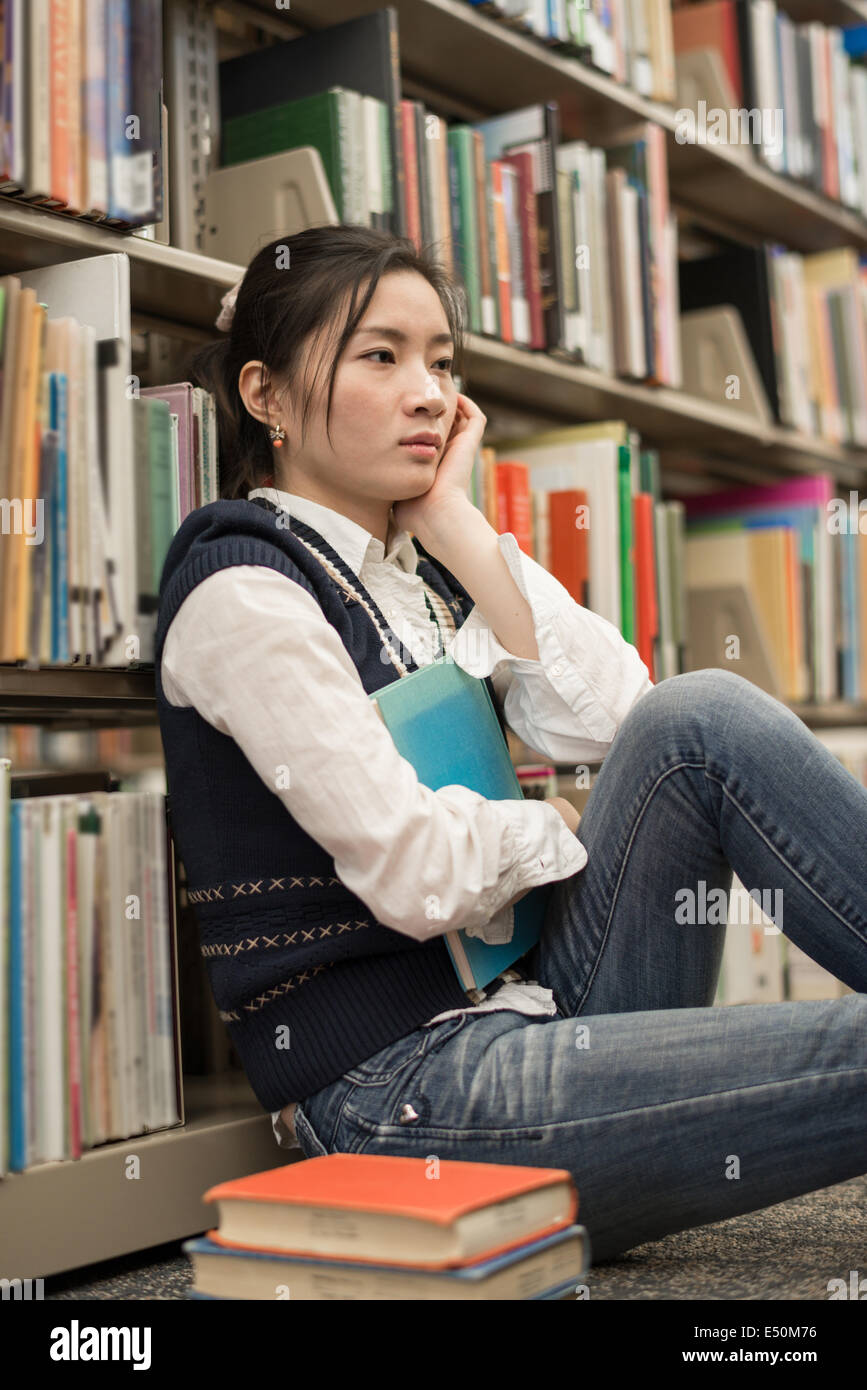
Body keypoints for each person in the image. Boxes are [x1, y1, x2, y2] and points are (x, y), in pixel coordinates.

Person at [155, 224, 867, 1267]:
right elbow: (412, 873)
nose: (430, 393)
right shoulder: (243, 591)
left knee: (698, 715)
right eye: (381, 356)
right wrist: (550, 828)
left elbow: (637, 719)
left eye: (444, 361)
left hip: (534, 1009)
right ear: (264, 396)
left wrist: (454, 523)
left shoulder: (420, 575)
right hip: (406, 1099)